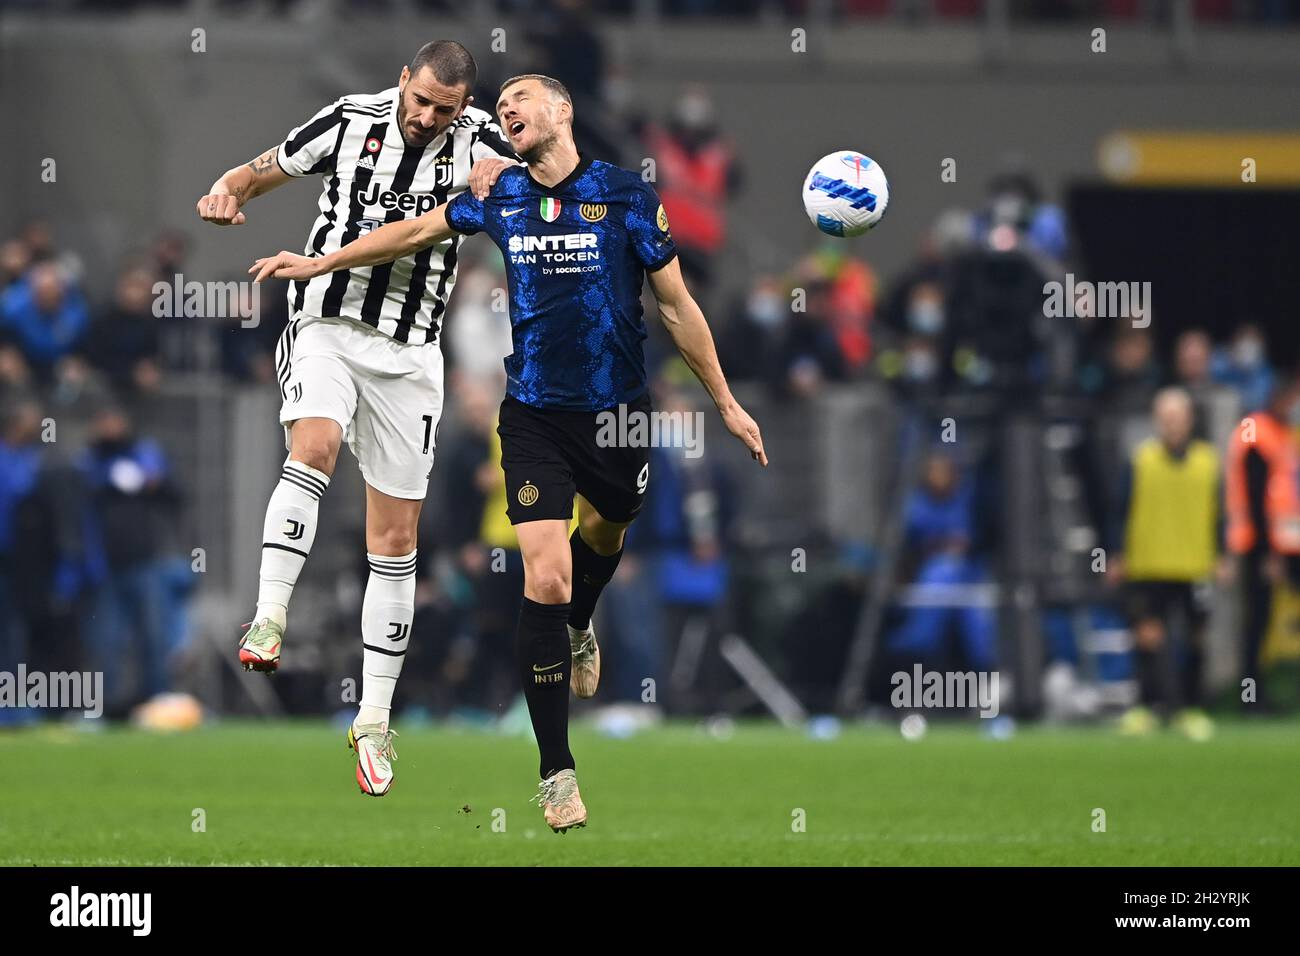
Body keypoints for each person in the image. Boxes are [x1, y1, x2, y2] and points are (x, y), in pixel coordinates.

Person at [251, 73, 767, 832]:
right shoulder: (500, 193)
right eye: (500, 110)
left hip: (617, 416)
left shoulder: (627, 194)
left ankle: (583, 623)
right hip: (532, 418)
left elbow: (676, 304)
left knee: (607, 531)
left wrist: (724, 401)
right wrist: (322, 263)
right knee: (546, 576)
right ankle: (556, 771)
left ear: (563, 108)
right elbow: (416, 231)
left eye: (520, 99)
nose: (507, 112)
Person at [195, 39, 517, 797]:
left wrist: (513, 174)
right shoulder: (349, 118)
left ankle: (373, 720)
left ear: (461, 106)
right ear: (403, 80)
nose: (427, 118)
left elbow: (544, 175)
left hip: (412, 353)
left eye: (444, 109)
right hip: (328, 321)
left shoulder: (481, 143)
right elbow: (266, 166)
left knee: (396, 537)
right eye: (420, 101)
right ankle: (269, 615)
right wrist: (229, 190)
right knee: (316, 443)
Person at [1109, 387, 1227, 739]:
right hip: (1149, 562)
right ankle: (1147, 707)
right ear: (1157, 421)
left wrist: (1221, 553)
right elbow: (1120, 509)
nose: (1173, 423)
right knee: (1147, 639)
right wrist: (1117, 553)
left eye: (1178, 416)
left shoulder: (1208, 461)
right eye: (1166, 417)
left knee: (1195, 640)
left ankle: (1190, 708)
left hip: (1194, 564)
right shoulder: (1141, 459)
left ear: (1190, 419)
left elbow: (1218, 513)